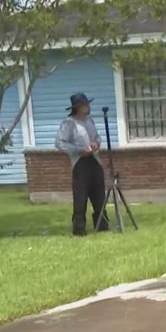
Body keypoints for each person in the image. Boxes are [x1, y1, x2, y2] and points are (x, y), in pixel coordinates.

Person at [55, 92, 109, 236]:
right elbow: (60, 143)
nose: (88, 107)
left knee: (98, 193)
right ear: (78, 107)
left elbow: (97, 136)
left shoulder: (90, 120)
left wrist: (96, 143)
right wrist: (79, 150)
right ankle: (79, 228)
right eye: (85, 105)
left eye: (88, 104)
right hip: (80, 162)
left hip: (94, 159)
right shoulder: (69, 123)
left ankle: (102, 224)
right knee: (81, 195)